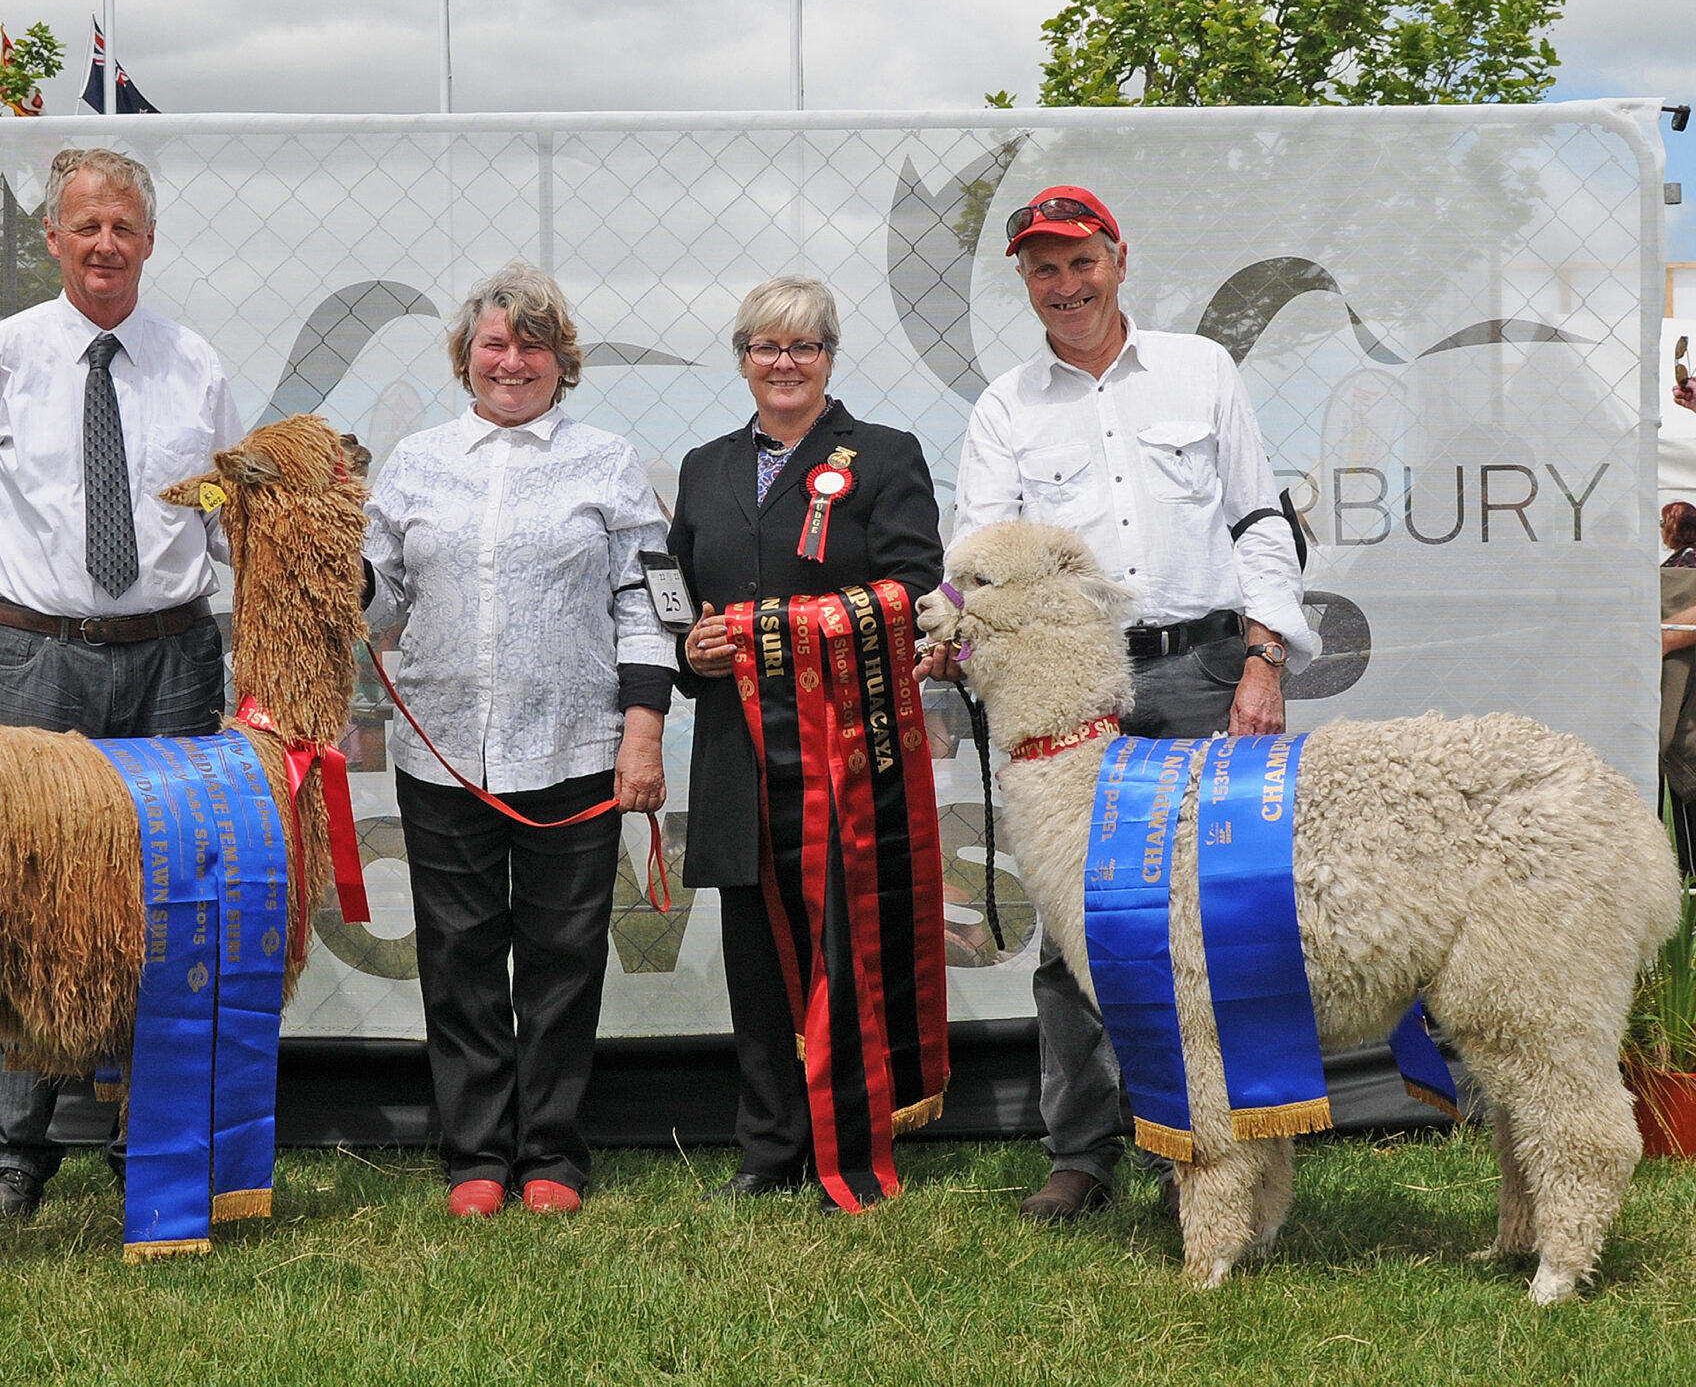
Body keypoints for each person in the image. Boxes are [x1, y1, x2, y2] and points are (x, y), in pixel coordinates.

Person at [922, 184, 1319, 1221]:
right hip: (1074, 687)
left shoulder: (1199, 369)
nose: (1064, 285)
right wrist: (955, 634)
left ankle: (1214, 1144)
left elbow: (1259, 522)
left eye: (1079, 262)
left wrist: (1263, 658)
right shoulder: (1008, 404)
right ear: (1025, 281)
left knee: (1223, 914)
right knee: (1075, 932)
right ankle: (1081, 1147)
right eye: (1043, 270)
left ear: (1116, 259)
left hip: (1202, 668)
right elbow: (974, 559)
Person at [0, 147, 243, 1224]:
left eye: (125, 227)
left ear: (150, 241)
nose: (106, 244)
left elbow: (230, 521)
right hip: (34, 660)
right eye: (86, 226)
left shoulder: (195, 364)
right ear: (53, 239)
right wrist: (27, 617)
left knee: (168, 897)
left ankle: (156, 1146)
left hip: (174, 661)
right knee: (14, 897)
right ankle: (12, 1157)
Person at [362, 262, 675, 1218]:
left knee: (563, 958)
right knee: (456, 957)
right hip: (443, 748)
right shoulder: (413, 462)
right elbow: (380, 600)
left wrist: (644, 729)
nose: (513, 360)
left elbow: (651, 600)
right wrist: (325, 556)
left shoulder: (609, 462)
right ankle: (473, 1159)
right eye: (494, 343)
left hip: (576, 747)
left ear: (562, 362)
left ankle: (551, 1154)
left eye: (533, 344)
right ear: (466, 359)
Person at [669, 276, 943, 1203]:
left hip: (843, 757)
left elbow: (915, 595)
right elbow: (679, 600)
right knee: (753, 956)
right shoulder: (704, 466)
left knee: (842, 950)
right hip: (737, 748)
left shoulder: (886, 455)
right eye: (764, 347)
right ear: (741, 357)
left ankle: (851, 1142)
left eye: (804, 347)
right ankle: (769, 1148)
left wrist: (783, 628)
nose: (783, 364)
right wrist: (694, 649)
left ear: (830, 358)